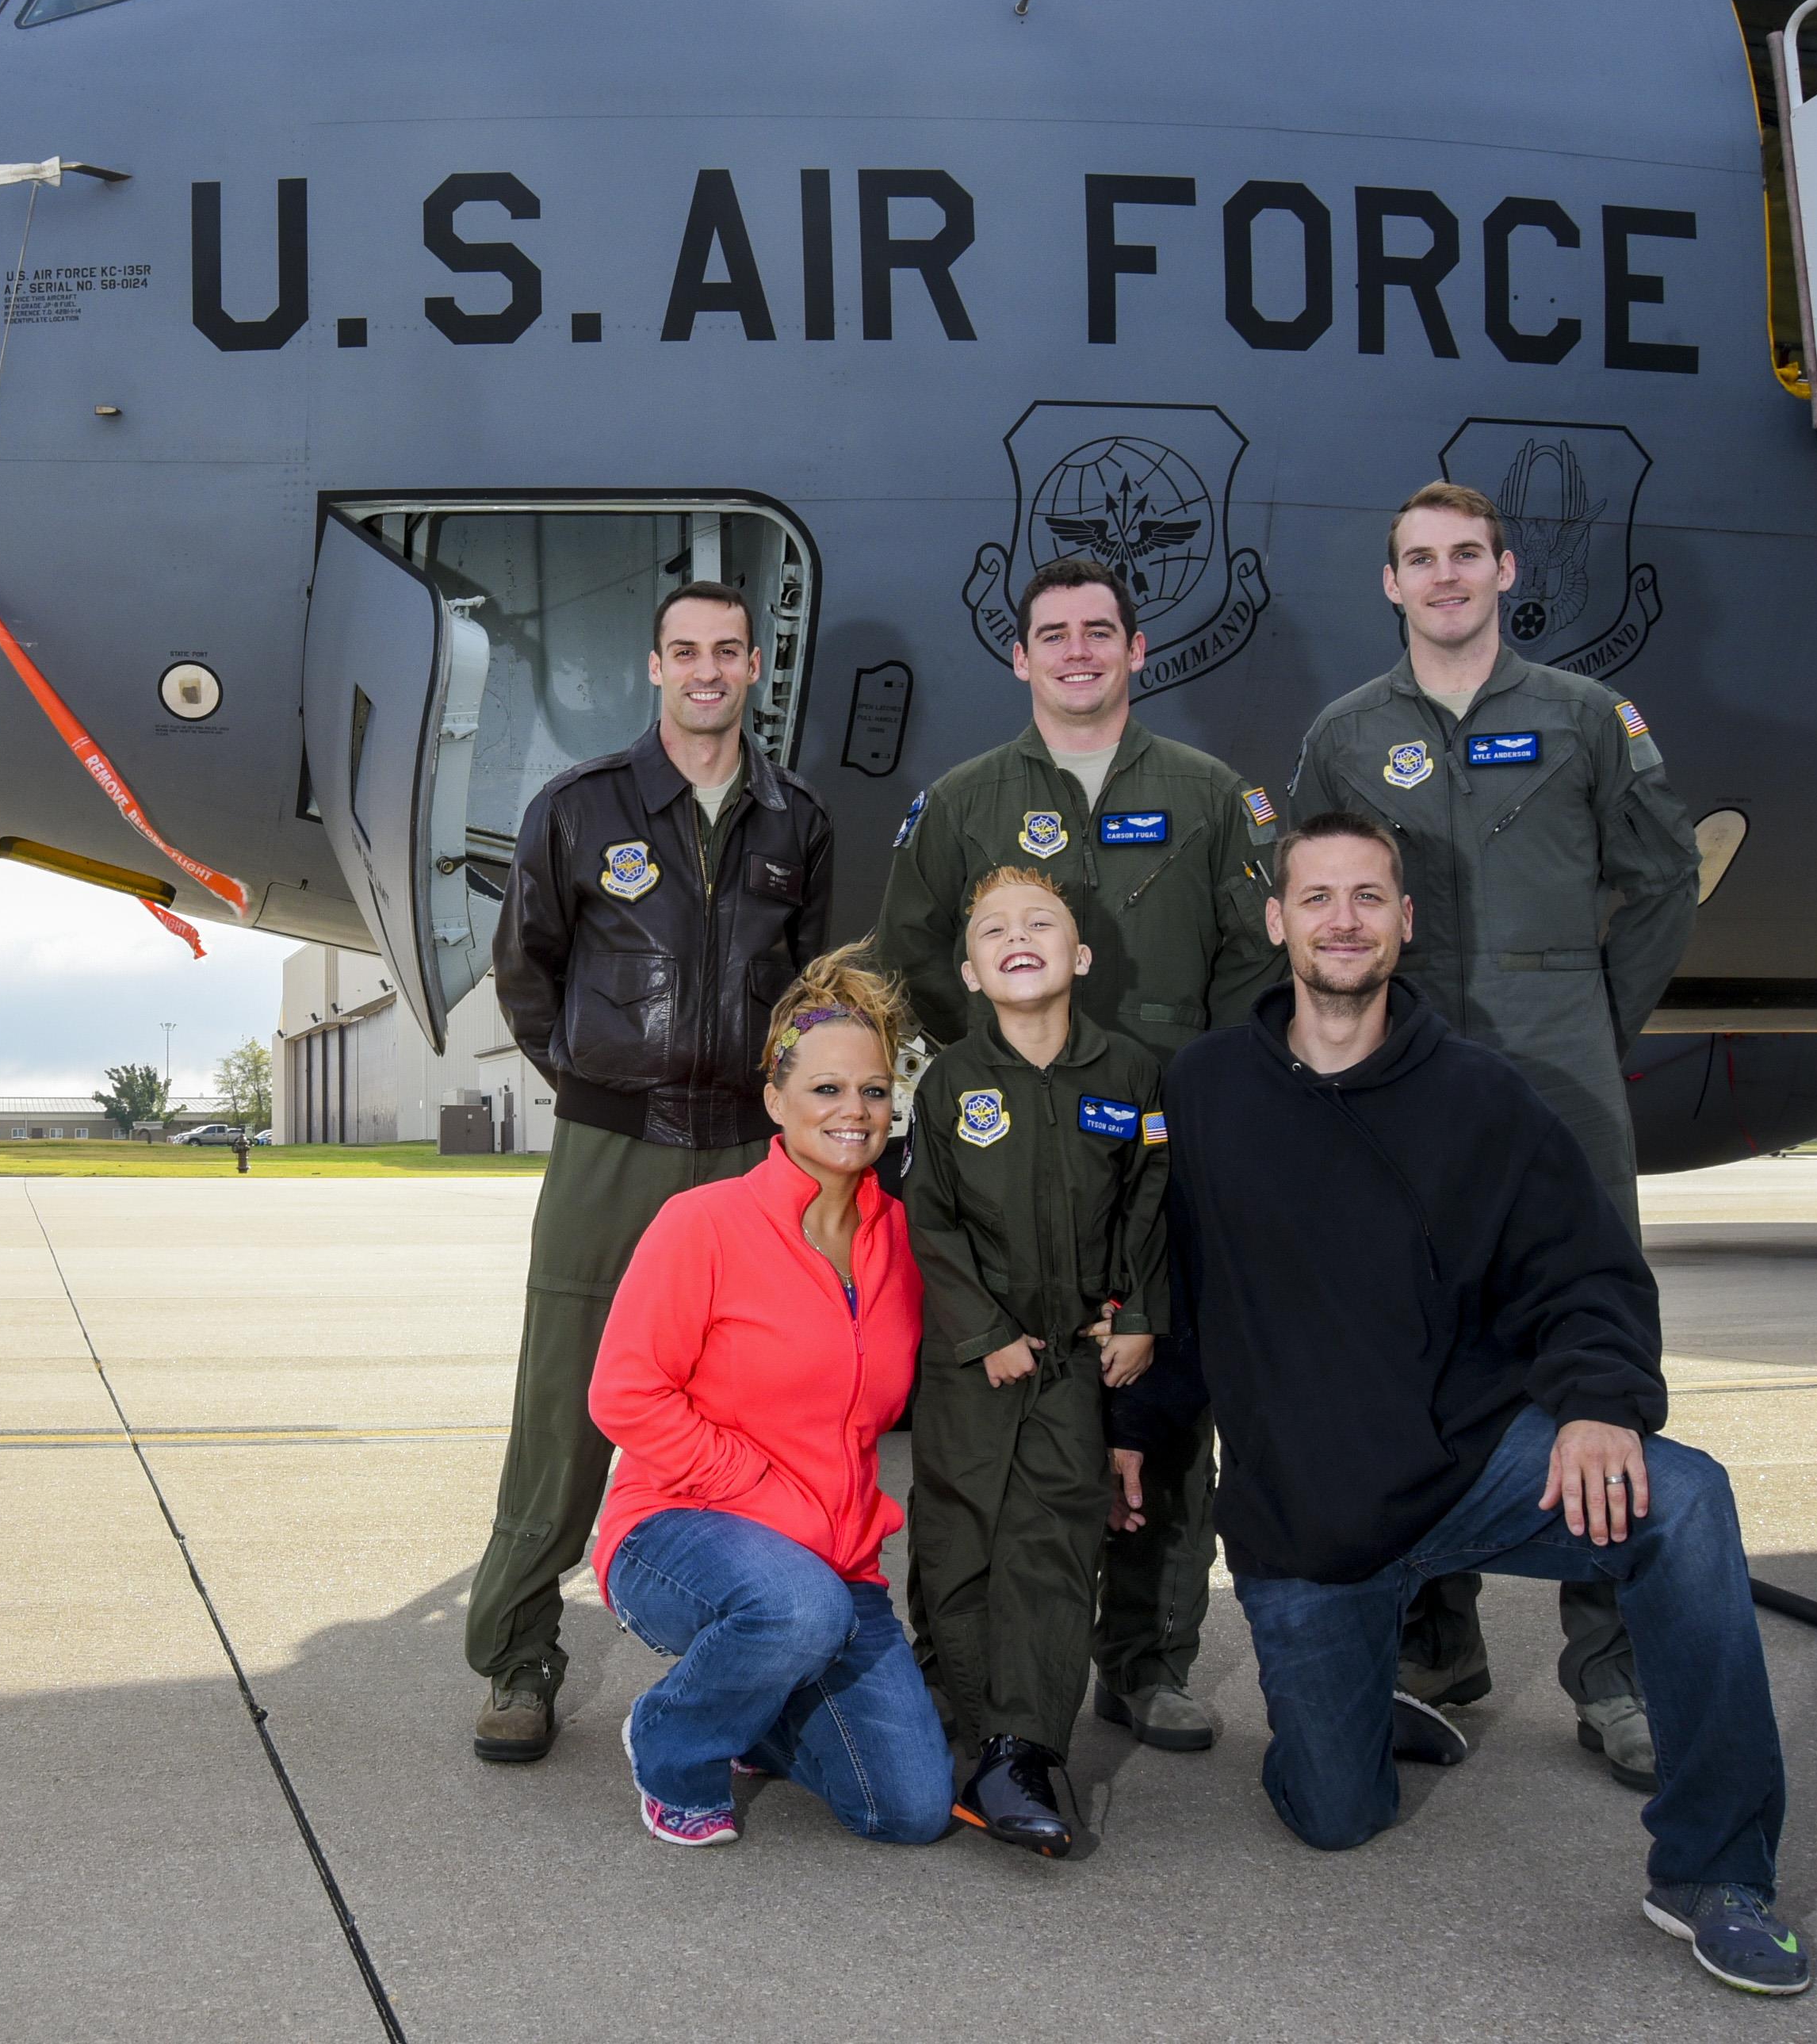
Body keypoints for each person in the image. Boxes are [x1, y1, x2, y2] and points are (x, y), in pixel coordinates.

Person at [1163, 811, 1806, 1998]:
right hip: (1308, 1519)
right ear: (1276, 922)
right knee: (1332, 1816)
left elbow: (1586, 1272)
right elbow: (1165, 1290)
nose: (1342, 919)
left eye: (1368, 897)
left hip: (1470, 1469)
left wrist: (1601, 1402)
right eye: (1316, 898)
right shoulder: (1206, 1090)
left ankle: (1715, 1869)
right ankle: (1360, 1707)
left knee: (1685, 1498)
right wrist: (1126, 1434)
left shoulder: (1481, 1096)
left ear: (1404, 921)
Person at [1291, 483, 1700, 1782]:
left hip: (1555, 1063)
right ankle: (1433, 1639)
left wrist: (1589, 1011)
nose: (1443, 576)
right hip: (1406, 1072)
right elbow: (1310, 897)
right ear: (1389, 581)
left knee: (1592, 1356)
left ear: (1501, 569)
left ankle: (1611, 1660)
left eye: (1463, 554)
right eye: (1418, 557)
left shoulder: (1581, 717)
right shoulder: (1343, 736)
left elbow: (1659, 875)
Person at [877, 553, 1279, 1753]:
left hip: (1165, 1153)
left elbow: (1253, 974)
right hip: (1010, 1156)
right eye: (1051, 633)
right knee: (1003, 1414)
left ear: (1135, 648)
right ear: (1019, 656)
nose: (1076, 651)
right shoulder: (960, 801)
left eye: (1098, 630)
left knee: (1160, 1403)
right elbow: (907, 960)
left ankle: (1147, 1658)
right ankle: (977, 1657)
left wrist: (1202, 1114)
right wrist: (996, 1094)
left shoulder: (1211, 796)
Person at [466, 580, 836, 1761]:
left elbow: (815, 995)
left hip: (744, 1148)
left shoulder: (798, 822)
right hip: (609, 1148)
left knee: (747, 1410)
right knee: (566, 1402)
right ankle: (520, 1653)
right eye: (686, 651)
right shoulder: (579, 808)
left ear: (754, 667)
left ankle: (747, 1655)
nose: (707, 670)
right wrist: (600, 1082)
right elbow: (526, 973)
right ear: (654, 666)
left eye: (728, 650)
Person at [587, 945, 951, 1847]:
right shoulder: (703, 1224)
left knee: (906, 1810)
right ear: (776, 1100)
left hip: (835, 1562)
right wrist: (766, 1491)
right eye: (826, 1090)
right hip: (679, 1533)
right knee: (795, 1610)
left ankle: (754, 1706)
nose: (854, 1112)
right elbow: (623, 1396)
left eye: (872, 1091)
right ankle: (673, 1742)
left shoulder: (900, 1238)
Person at [906, 867, 1167, 1855]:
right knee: (958, 1543)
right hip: (971, 1365)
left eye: (1040, 924)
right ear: (970, 972)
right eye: (992, 932)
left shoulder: (1130, 1075)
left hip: (1072, 1364)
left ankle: (1018, 1751)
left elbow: (1151, 1195)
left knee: (1053, 1551)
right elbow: (928, 1219)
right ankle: (959, 1716)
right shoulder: (949, 1086)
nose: (1017, 939)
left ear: (1081, 955)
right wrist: (981, 1331)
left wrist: (1138, 1311)